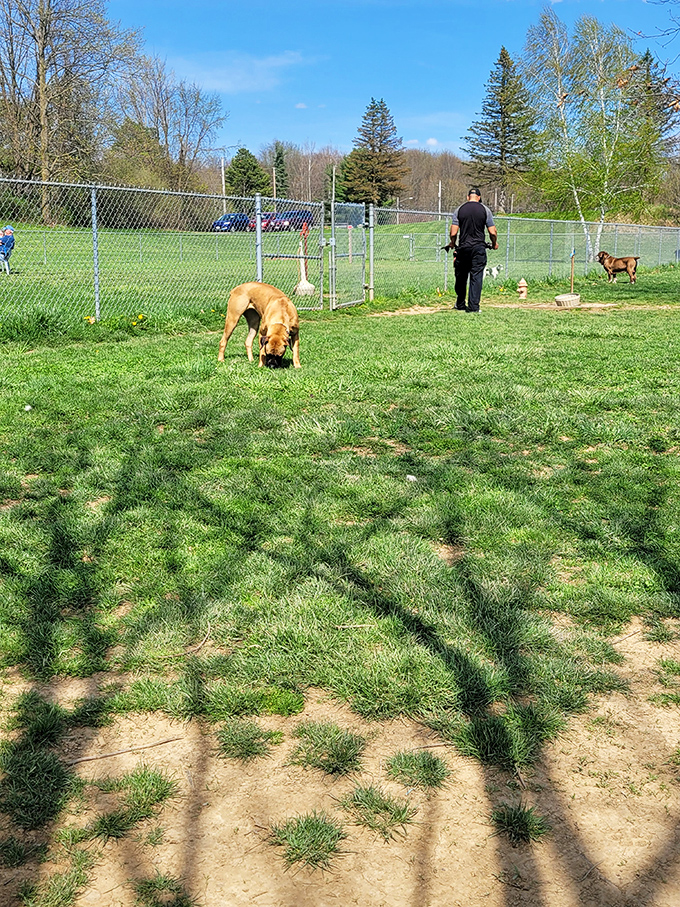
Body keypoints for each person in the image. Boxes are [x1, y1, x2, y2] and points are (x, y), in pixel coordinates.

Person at [448, 189, 498, 313]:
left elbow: (453, 232)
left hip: (463, 248)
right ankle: (473, 307)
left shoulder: (459, 210)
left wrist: (453, 243)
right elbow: (492, 231)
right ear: (479, 198)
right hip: (478, 248)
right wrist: (494, 243)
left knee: (461, 277)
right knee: (476, 277)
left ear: (468, 197)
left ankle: (460, 304)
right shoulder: (485, 210)